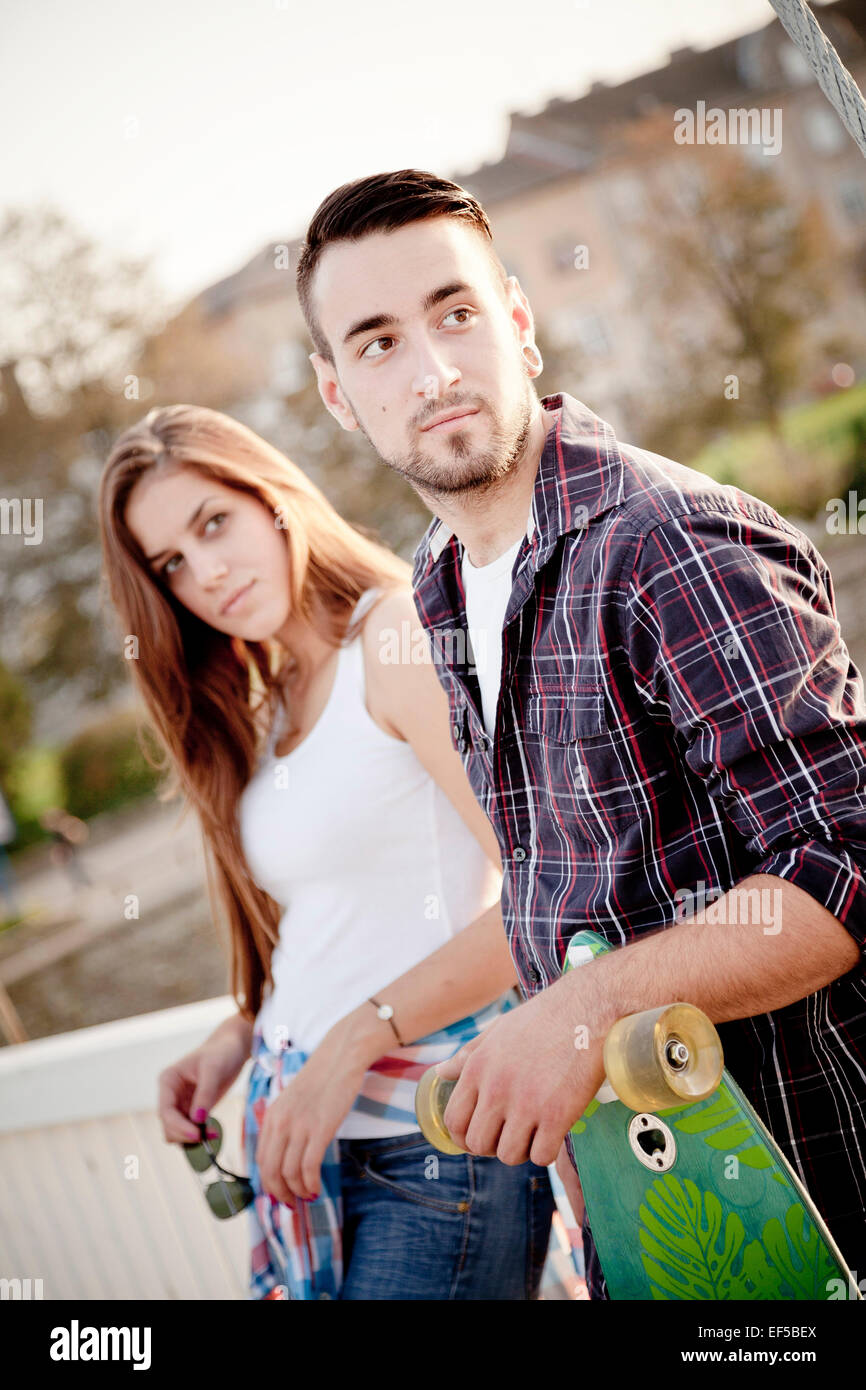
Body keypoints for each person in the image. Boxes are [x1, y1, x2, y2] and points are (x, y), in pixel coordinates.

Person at [295, 167, 866, 1296]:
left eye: (454, 314)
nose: (433, 368)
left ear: (518, 323)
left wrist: (582, 1008)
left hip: (814, 1215)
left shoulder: (670, 542)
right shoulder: (442, 589)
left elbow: (847, 865)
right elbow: (563, 896)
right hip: (641, 1225)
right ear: (336, 397)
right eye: (377, 343)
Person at [98, 404, 555, 1300]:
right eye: (174, 566)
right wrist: (244, 1035)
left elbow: (538, 908)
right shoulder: (272, 701)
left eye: (214, 523)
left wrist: (349, 1045)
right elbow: (343, 921)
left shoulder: (392, 637)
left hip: (433, 1143)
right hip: (311, 1138)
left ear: (271, 496)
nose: (209, 574)